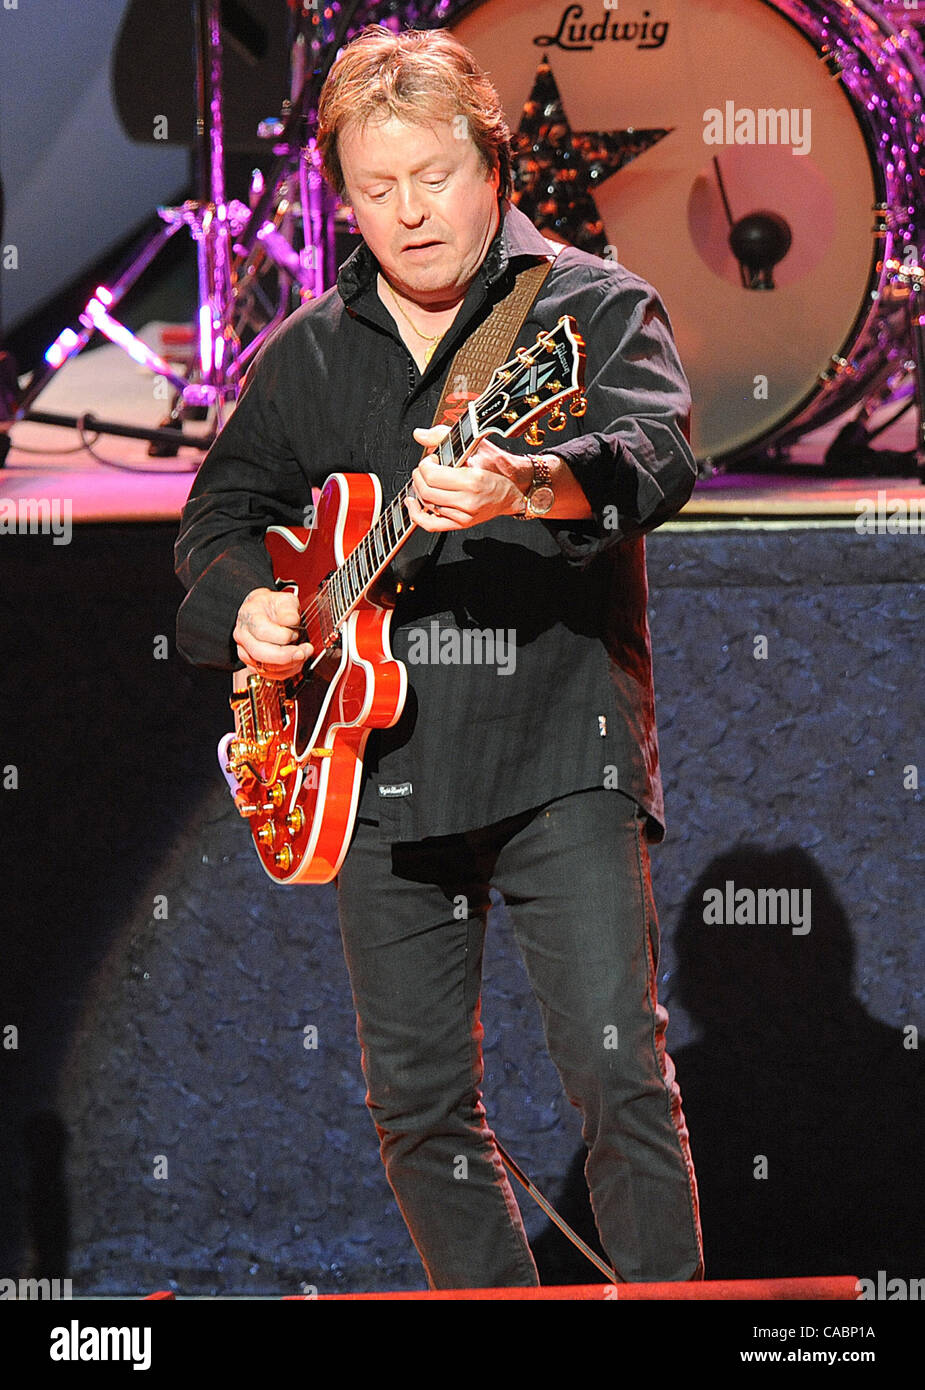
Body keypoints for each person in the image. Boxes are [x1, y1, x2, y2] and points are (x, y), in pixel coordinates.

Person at [174, 24, 703, 1290]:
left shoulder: (585, 308)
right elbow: (217, 520)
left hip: (554, 747)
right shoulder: (308, 349)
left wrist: (532, 479)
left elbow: (658, 455)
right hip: (375, 774)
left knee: (618, 1071)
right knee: (415, 1103)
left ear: (492, 168)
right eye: (374, 189)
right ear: (342, 196)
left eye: (433, 178)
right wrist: (250, 602)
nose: (406, 215)